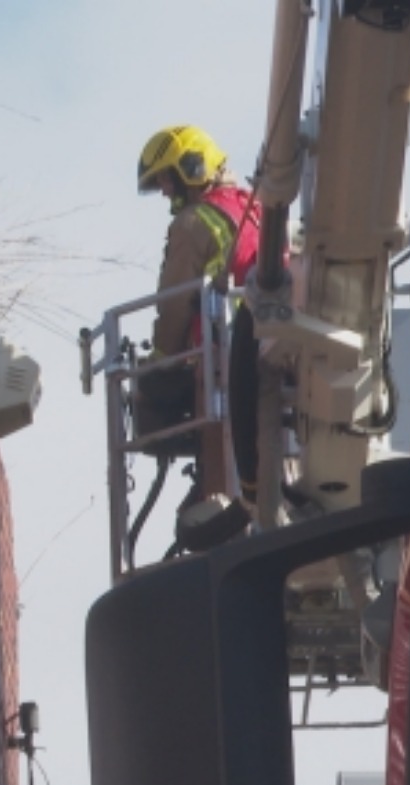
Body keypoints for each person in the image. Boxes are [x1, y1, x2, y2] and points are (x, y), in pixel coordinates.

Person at [135, 125, 260, 537]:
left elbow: (175, 301)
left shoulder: (193, 222)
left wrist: (159, 362)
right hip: (270, 351)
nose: (168, 194)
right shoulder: (255, 207)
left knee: (153, 401)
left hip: (221, 359)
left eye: (169, 181)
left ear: (192, 167)